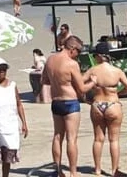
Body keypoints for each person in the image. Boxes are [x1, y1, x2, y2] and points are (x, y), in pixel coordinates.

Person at [84, 41, 127, 177]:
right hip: (113, 104)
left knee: (98, 139)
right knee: (114, 140)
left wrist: (85, 99)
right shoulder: (116, 71)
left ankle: (97, 170)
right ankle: (114, 171)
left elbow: (79, 84)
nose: (94, 58)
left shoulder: (93, 70)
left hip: (97, 104)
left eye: (95, 56)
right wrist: (119, 94)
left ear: (99, 56)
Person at [45, 33, 89, 177]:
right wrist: (93, 82)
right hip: (70, 102)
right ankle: (73, 172)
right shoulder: (71, 64)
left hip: (56, 101)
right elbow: (82, 89)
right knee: (71, 138)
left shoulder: (50, 59)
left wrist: (57, 81)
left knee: (57, 136)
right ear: (72, 49)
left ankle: (58, 170)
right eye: (78, 52)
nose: (78, 55)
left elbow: (44, 81)